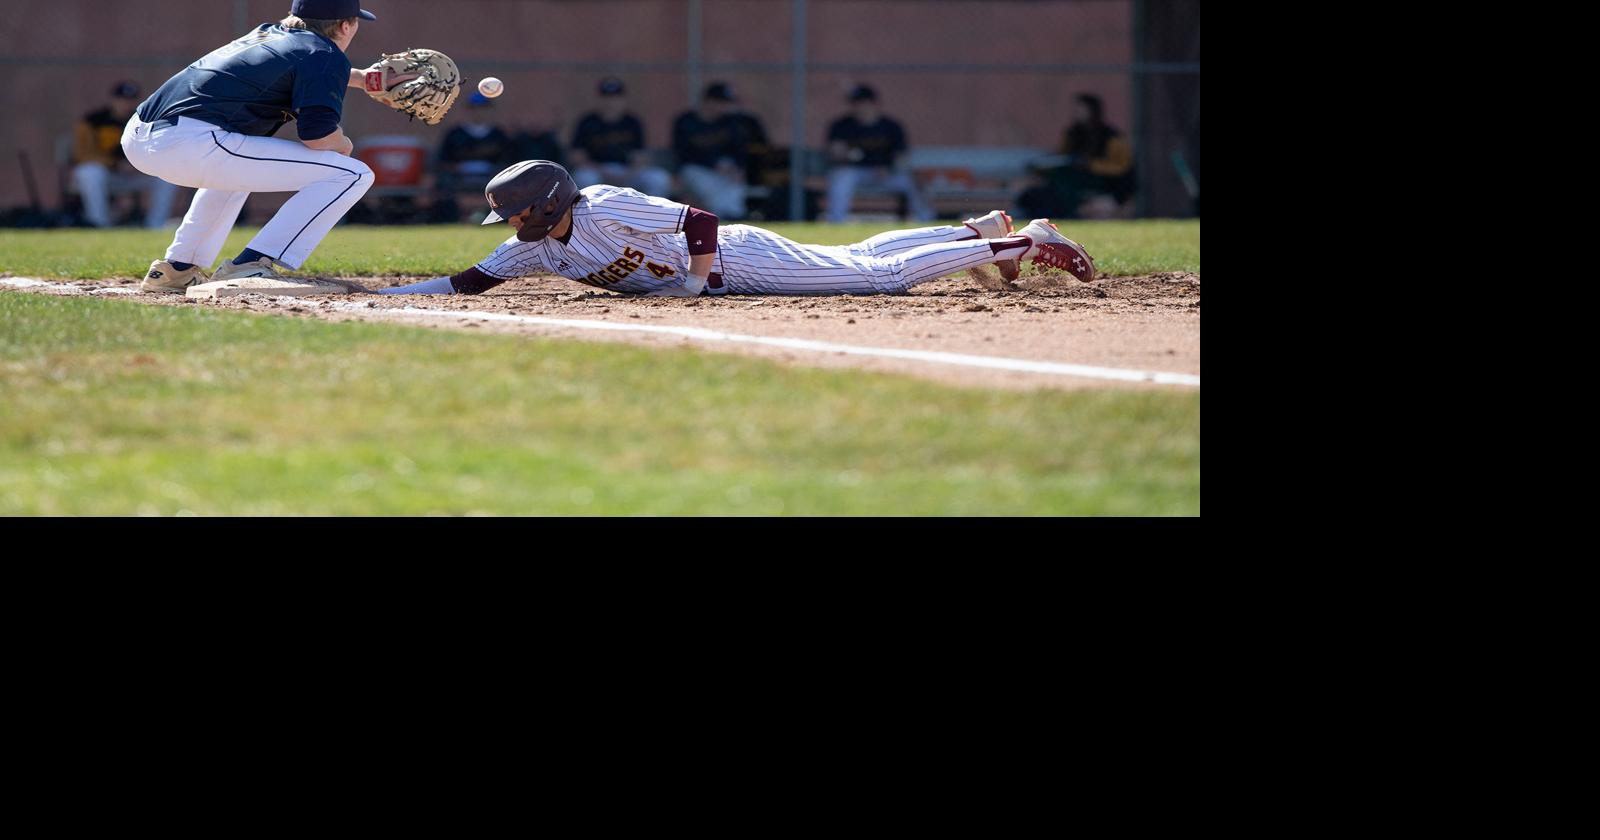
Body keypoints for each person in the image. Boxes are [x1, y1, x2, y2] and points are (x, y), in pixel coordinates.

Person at [376, 160, 1094, 299]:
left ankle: (1025, 239)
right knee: (860, 252)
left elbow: (700, 219)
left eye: (514, 214)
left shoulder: (604, 204)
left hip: (734, 261)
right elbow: (469, 282)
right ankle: (982, 226)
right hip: (728, 267)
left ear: (548, 203)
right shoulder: (528, 249)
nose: (508, 227)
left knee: (876, 279)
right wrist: (398, 295)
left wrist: (693, 284)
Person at [120, 0, 380, 294]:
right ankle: (252, 262)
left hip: (140, 135)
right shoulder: (324, 54)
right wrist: (342, 143)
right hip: (191, 142)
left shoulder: (268, 34)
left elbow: (306, 63)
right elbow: (317, 135)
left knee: (237, 171)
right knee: (353, 174)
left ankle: (176, 270)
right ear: (346, 26)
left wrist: (367, 80)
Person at [71, 81, 178, 228]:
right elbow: (83, 154)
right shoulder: (94, 121)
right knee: (90, 172)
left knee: (168, 176)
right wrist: (115, 164)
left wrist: (140, 164)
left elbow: (158, 149)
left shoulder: (145, 120)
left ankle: (155, 225)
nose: (126, 104)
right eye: (122, 100)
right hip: (107, 175)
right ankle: (99, 223)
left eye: (131, 100)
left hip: (137, 174)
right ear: (113, 100)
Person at [824, 84, 932, 224]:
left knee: (912, 180)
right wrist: (843, 154)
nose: (859, 107)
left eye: (863, 103)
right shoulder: (842, 125)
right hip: (856, 173)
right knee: (841, 177)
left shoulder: (891, 126)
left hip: (887, 174)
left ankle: (927, 221)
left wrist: (890, 168)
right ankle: (836, 222)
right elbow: (835, 153)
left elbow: (901, 156)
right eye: (855, 103)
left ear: (874, 103)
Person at [1017, 94, 1136, 220]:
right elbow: (1062, 156)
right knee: (1046, 190)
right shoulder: (1073, 133)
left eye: (1082, 109)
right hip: (1074, 180)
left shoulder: (1111, 137)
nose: (1077, 113)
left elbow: (1121, 167)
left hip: (1101, 182)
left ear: (1093, 110)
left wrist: (1090, 164)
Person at [671, 82, 768, 220]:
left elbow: (738, 150)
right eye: (721, 102)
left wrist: (738, 168)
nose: (726, 107)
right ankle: (723, 217)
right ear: (708, 101)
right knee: (708, 185)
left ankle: (733, 217)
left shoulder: (731, 122)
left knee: (734, 184)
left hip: (724, 170)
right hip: (695, 170)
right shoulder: (686, 121)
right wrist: (713, 164)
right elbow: (682, 154)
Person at [568, 77, 672, 198]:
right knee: (583, 177)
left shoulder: (632, 122)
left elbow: (641, 156)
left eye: (616, 98)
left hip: (628, 171)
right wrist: (600, 171)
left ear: (623, 100)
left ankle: (647, 215)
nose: (611, 102)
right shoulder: (587, 122)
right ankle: (591, 215)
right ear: (599, 99)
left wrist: (628, 174)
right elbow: (577, 156)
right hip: (597, 171)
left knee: (659, 179)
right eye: (606, 97)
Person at [433, 92, 518, 219]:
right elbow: (443, 160)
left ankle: (494, 216)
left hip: (490, 177)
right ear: (468, 110)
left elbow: (507, 161)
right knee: (444, 185)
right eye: (474, 108)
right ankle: (456, 217)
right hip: (459, 177)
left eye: (483, 108)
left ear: (490, 110)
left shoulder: (498, 135)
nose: (479, 112)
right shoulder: (455, 134)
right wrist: (456, 168)